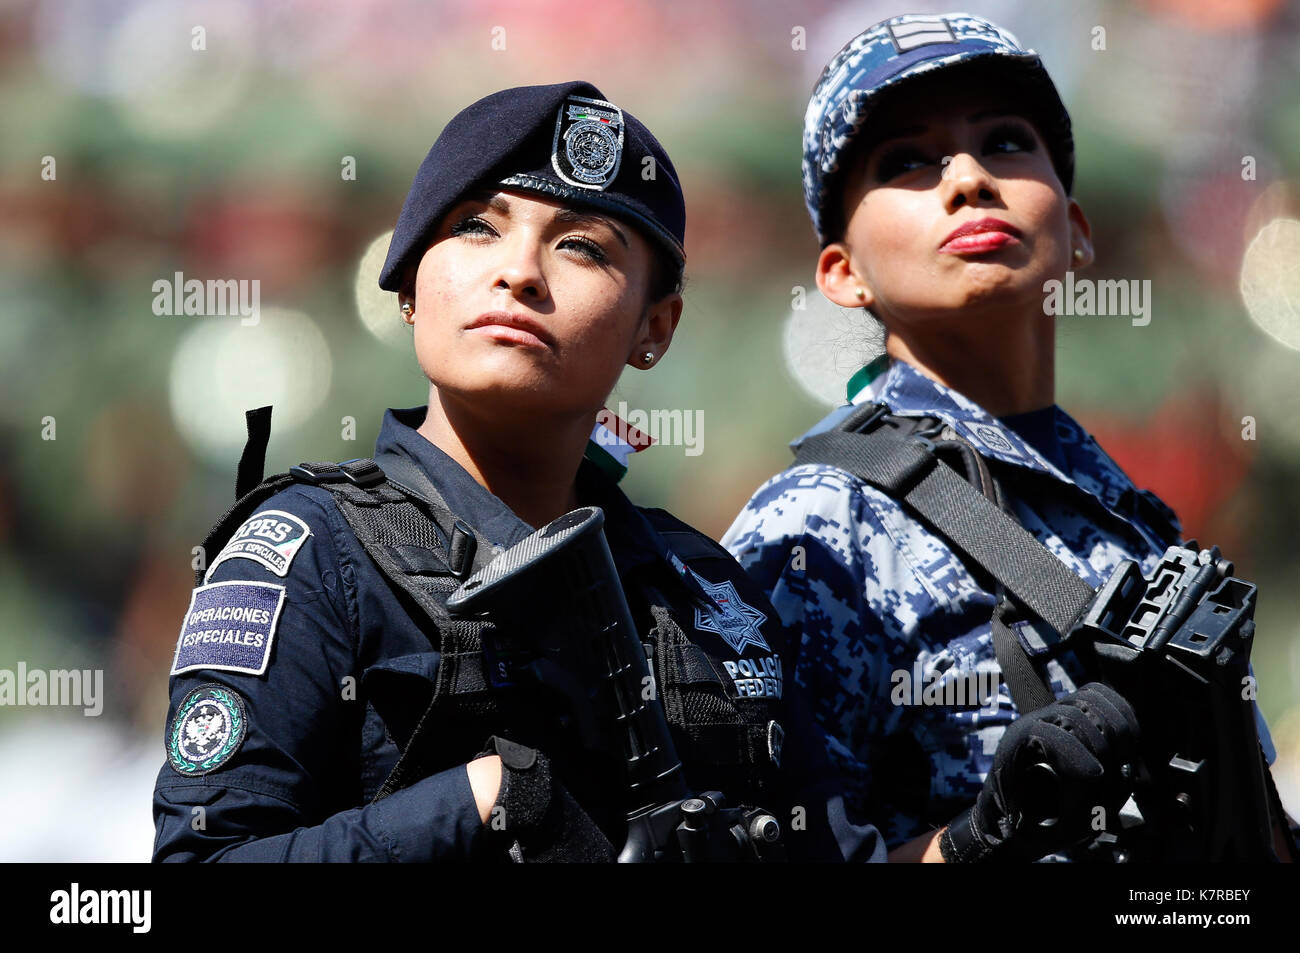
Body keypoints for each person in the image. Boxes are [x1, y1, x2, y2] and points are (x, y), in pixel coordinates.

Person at [151, 80, 883, 863]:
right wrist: (480, 798)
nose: (520, 272)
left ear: (654, 327)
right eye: (475, 228)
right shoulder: (315, 553)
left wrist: (989, 832)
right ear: (406, 284)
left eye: (582, 246)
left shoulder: (707, 592)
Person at [722, 12, 1295, 862]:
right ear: (843, 274)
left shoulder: (1131, 520)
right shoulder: (815, 527)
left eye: (1005, 142)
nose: (967, 180)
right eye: (908, 161)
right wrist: (978, 840)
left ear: (1077, 229)